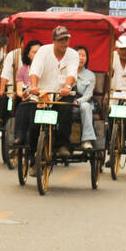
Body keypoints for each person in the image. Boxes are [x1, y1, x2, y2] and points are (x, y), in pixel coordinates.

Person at [24, 25, 78, 156]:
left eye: (66, 39)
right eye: (61, 40)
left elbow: (71, 74)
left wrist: (67, 87)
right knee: (35, 123)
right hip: (43, 93)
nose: (64, 43)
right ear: (54, 41)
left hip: (62, 93)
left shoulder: (73, 54)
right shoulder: (43, 51)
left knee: (66, 112)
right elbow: (35, 70)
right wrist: (34, 87)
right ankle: (32, 155)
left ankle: (62, 145)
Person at [72, 45, 97, 150]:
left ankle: (87, 140)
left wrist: (78, 101)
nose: (81, 58)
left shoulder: (90, 75)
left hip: (83, 103)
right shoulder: (67, 71)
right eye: (78, 55)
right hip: (67, 102)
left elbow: (88, 94)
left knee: (86, 106)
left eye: (84, 55)